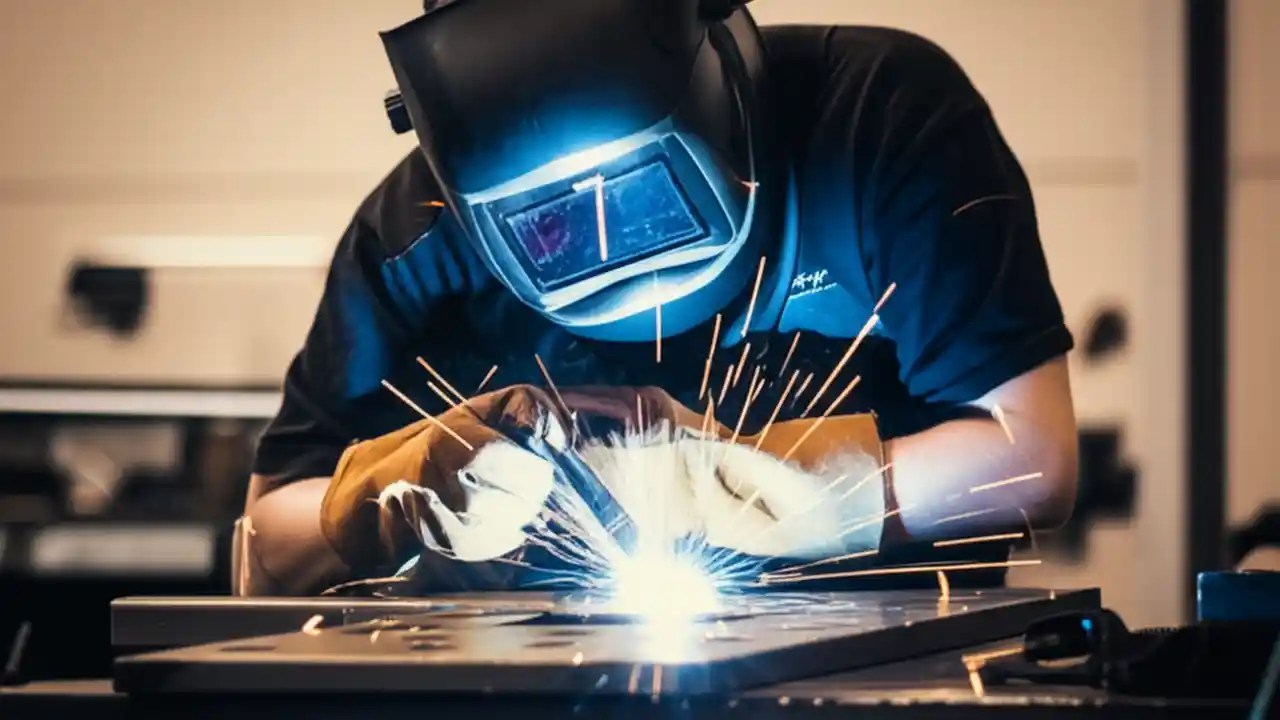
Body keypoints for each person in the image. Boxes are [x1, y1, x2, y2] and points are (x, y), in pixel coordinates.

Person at [234, 0, 1078, 597]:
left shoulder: (878, 119)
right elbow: (262, 552)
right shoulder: (414, 238)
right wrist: (391, 496)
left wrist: (703, 483)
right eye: (552, 225)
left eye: (641, 193)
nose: (608, 239)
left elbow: (1034, 460)